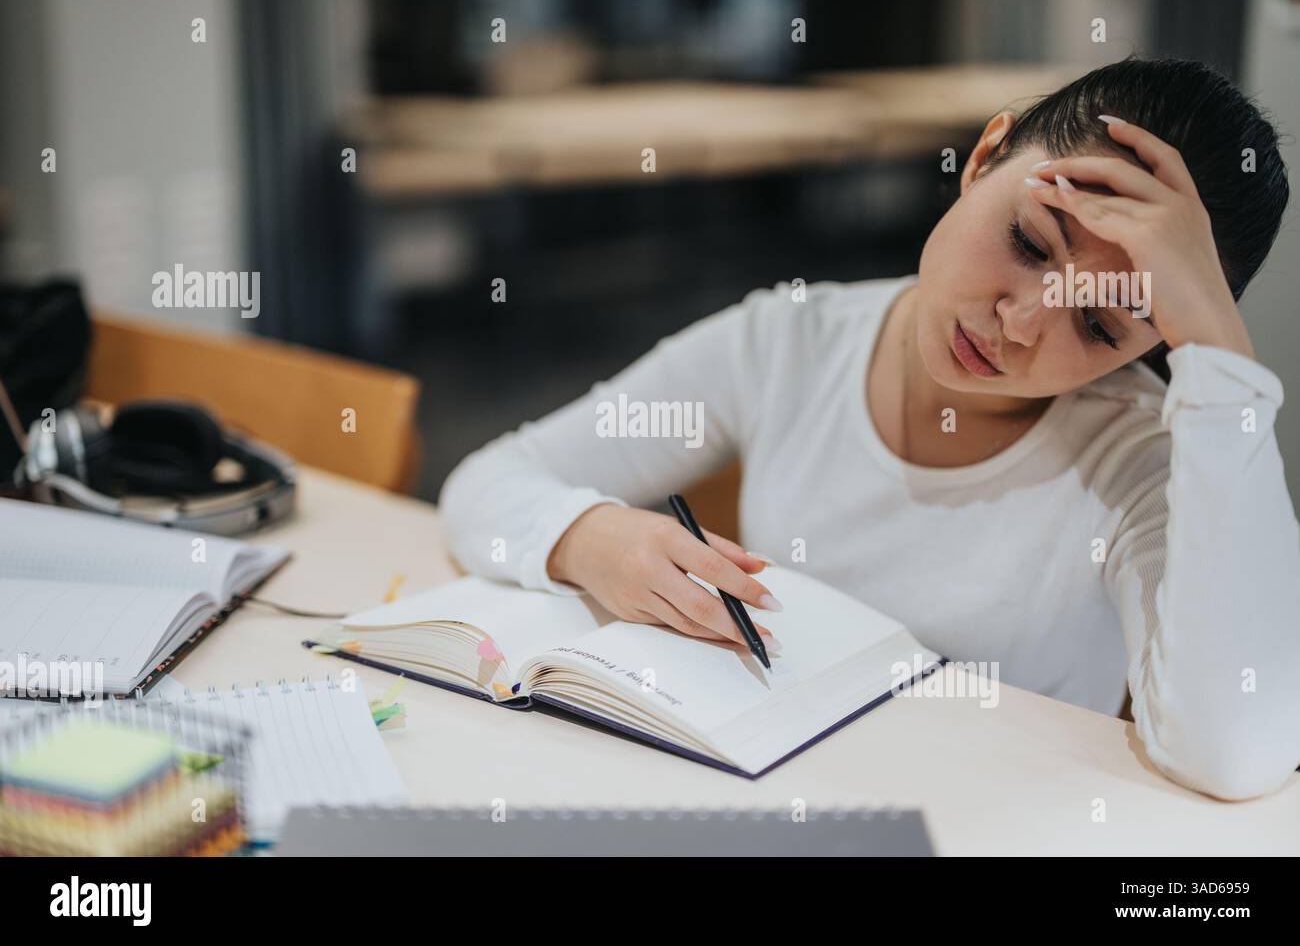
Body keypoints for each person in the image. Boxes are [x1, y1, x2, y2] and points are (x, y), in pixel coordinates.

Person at [439, 58, 1300, 801]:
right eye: (1032, 243)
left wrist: (1223, 365)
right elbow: (488, 479)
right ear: (986, 154)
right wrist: (591, 538)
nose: (1021, 324)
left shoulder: (1144, 461)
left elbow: (1235, 753)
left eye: (1103, 328)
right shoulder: (790, 339)